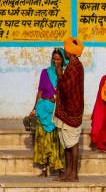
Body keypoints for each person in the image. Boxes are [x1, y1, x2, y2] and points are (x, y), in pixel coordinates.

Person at [29, 48, 66, 177]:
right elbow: (40, 91)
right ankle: (44, 169)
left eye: (58, 59)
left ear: (63, 60)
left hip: (57, 110)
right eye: (54, 59)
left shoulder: (65, 74)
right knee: (43, 140)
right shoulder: (45, 72)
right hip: (43, 108)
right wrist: (34, 108)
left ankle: (59, 168)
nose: (55, 61)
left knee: (56, 140)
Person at [54, 37, 85, 182]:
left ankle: (74, 173)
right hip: (66, 110)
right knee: (66, 143)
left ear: (70, 52)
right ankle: (68, 172)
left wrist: (59, 73)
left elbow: (66, 88)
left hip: (72, 110)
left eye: (65, 49)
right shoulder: (73, 65)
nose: (64, 51)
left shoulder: (74, 67)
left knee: (72, 143)